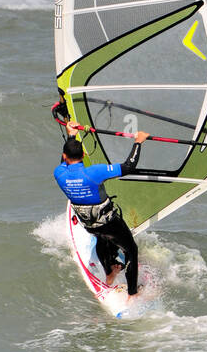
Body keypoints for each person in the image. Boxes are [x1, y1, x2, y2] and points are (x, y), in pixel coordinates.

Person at [53, 118, 149, 300]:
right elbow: (128, 167)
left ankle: (110, 271)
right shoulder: (95, 172)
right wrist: (138, 142)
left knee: (101, 237)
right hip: (109, 222)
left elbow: (64, 160)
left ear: (65, 157)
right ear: (83, 156)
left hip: (88, 223)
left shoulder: (59, 173)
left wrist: (71, 135)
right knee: (131, 250)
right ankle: (132, 293)